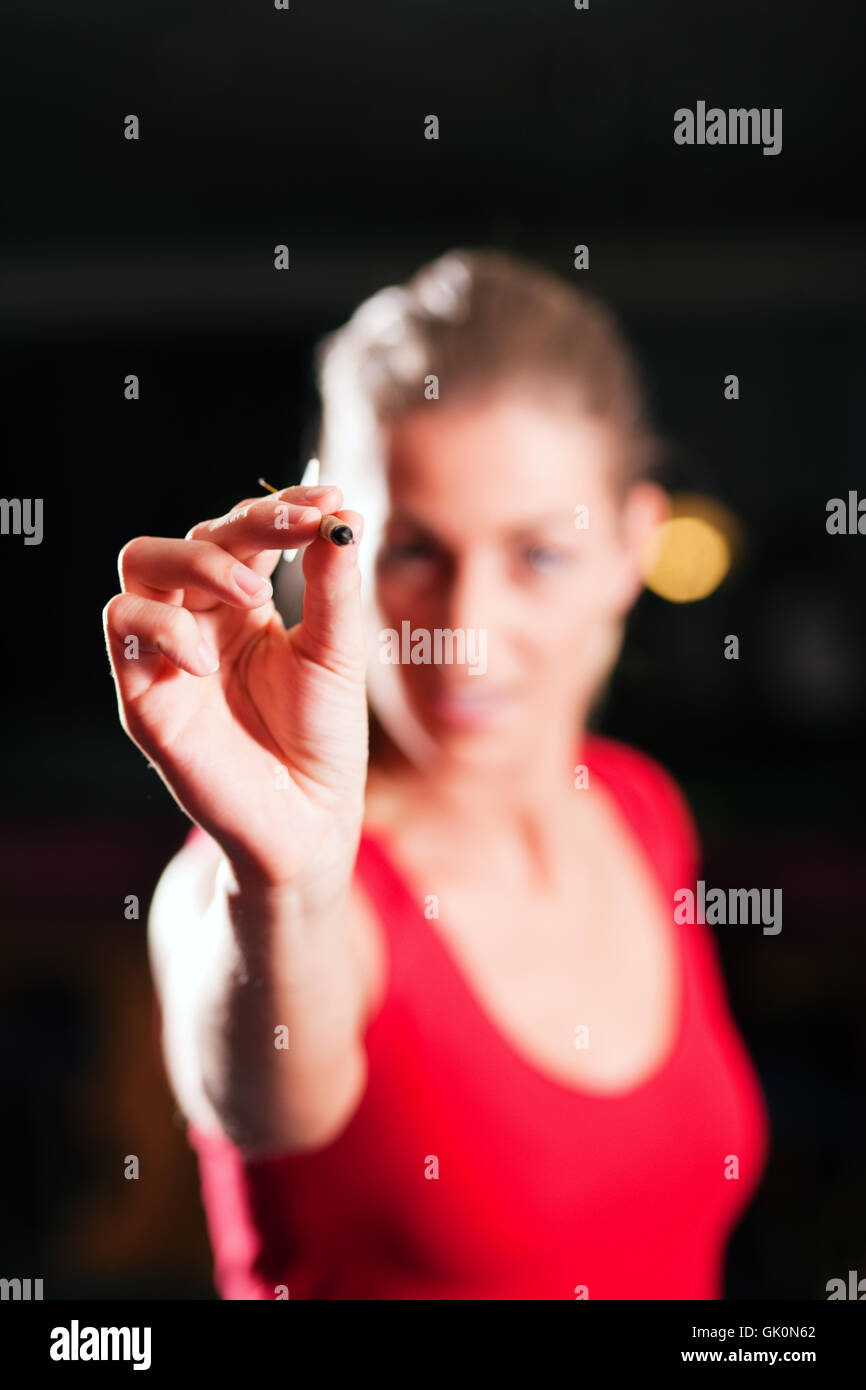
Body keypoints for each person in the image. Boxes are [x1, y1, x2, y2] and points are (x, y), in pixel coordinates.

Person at [103, 249, 768, 1300]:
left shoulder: (639, 808)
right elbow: (265, 1105)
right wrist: (283, 885)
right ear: (332, 548)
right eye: (411, 551)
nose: (462, 636)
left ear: (630, 548)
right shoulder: (263, 893)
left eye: (538, 555)